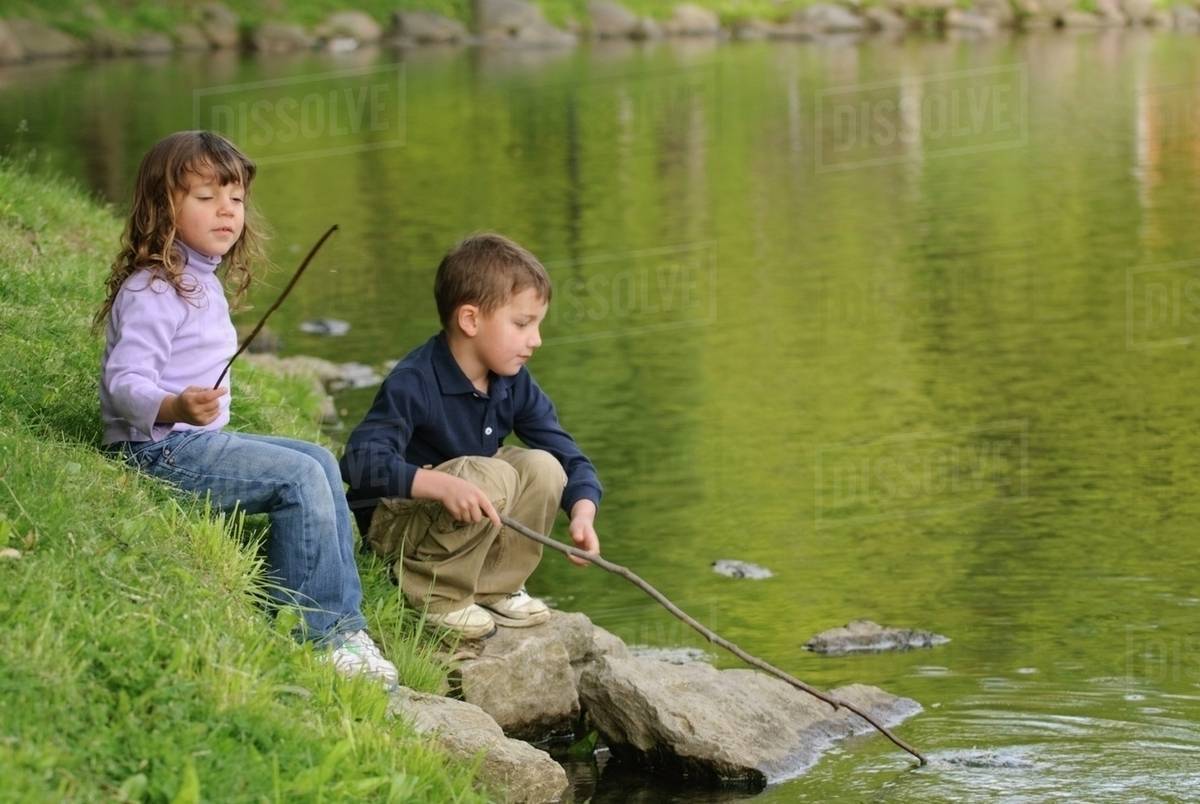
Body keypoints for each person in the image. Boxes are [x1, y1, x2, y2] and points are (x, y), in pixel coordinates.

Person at [94, 130, 397, 686]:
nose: (227, 211)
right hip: (156, 451)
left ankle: (343, 622)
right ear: (164, 207)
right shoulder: (153, 290)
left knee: (320, 462)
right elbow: (122, 382)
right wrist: (172, 403)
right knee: (301, 478)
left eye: (234, 198)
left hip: (191, 444)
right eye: (206, 198)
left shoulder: (197, 278)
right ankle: (318, 635)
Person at [339, 234, 603, 639]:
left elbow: (565, 453)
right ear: (470, 320)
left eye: (537, 324)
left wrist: (583, 511)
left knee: (543, 466)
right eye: (522, 323)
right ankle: (436, 593)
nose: (536, 340)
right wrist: (437, 484)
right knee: (491, 473)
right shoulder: (416, 380)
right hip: (399, 526)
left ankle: (493, 585)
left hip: (466, 515)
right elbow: (358, 460)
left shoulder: (512, 381)